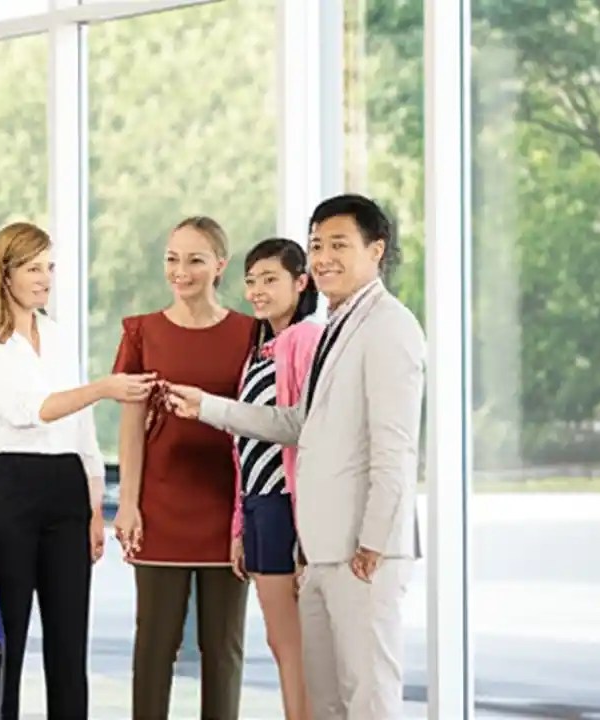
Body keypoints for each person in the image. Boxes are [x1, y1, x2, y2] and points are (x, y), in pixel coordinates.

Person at [167, 194, 425, 720]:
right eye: (317, 246)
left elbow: (394, 446)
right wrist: (208, 407)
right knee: (324, 699)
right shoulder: (335, 326)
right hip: (321, 548)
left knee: (369, 696)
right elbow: (295, 424)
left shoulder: (389, 326)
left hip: (362, 551)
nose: (324, 257)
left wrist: (374, 541)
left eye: (338, 245)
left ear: (376, 250)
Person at [0, 221, 156, 720]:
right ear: (4, 273)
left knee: (69, 640)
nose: (45, 279)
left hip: (67, 488)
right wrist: (104, 388)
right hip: (10, 488)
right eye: (33, 268)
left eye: (49, 267)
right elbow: (26, 410)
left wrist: (94, 507)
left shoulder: (60, 337)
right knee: (7, 637)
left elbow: (81, 430)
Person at [110, 216, 257, 720]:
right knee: (154, 644)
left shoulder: (250, 334)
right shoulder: (142, 332)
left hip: (226, 508)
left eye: (195, 260)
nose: (181, 271)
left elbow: (258, 423)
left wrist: (247, 515)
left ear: (220, 265)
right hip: (159, 504)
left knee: (224, 649)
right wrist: (128, 504)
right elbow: (131, 427)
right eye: (172, 259)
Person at [228, 238, 322, 720]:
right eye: (251, 281)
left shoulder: (306, 339)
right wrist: (240, 526)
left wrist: (308, 536)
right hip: (261, 506)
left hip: (289, 506)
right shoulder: (259, 351)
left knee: (297, 644)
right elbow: (244, 446)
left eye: (270, 279)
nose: (257, 291)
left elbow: (309, 434)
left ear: (300, 282)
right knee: (282, 640)